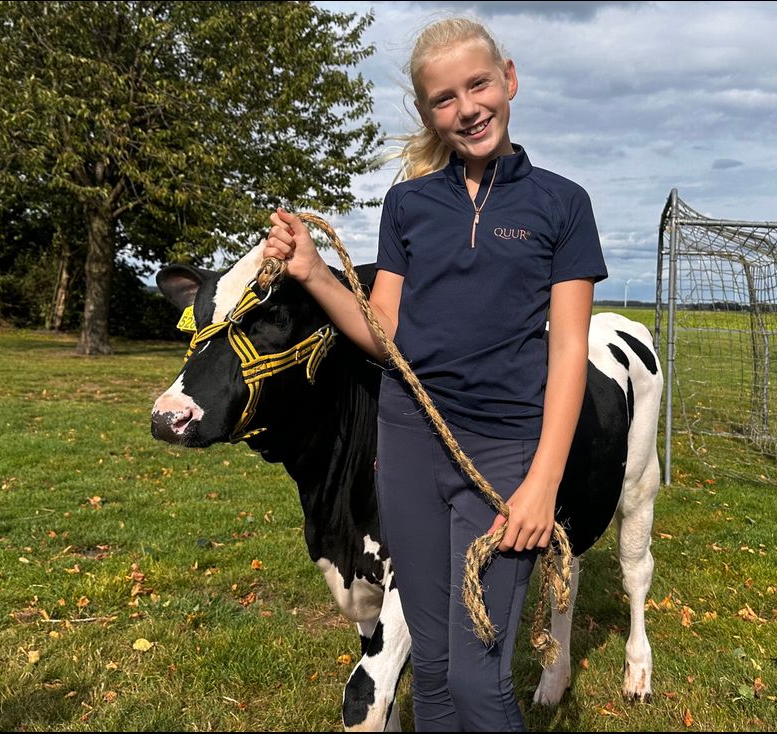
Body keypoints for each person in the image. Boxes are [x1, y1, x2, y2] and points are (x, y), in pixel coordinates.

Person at [262, 16, 606, 732]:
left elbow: (569, 350)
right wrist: (315, 274)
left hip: (504, 452)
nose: (467, 107)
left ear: (508, 79)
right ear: (427, 113)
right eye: (444, 98)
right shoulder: (409, 203)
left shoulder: (562, 205)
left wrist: (542, 483)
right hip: (409, 446)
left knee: (482, 682)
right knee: (439, 678)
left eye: (478, 84)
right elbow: (382, 337)